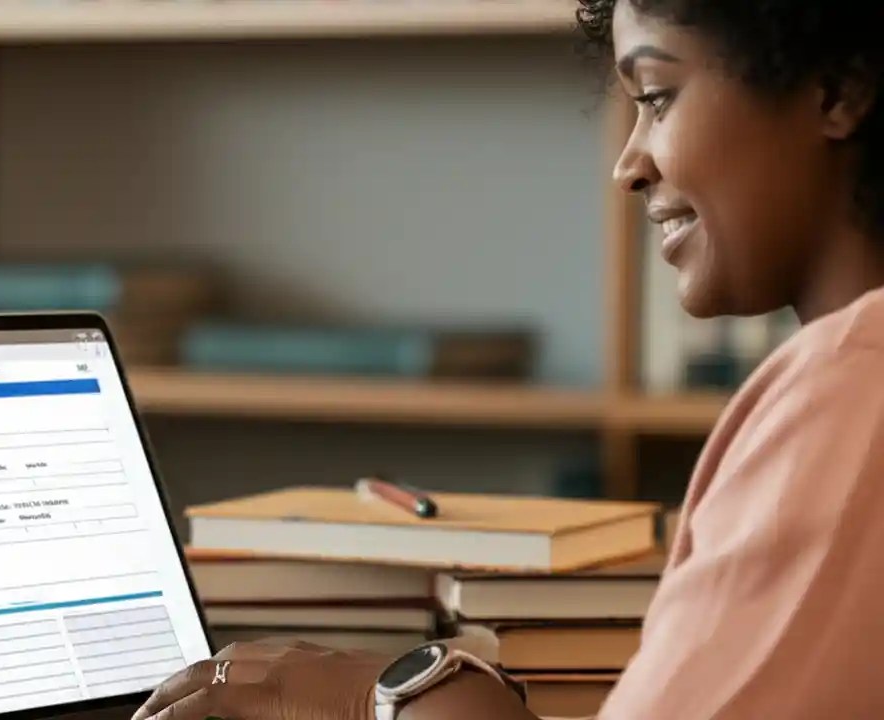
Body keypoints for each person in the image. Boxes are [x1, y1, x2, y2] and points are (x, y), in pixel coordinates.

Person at [134, 1, 884, 718]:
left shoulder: (845, 392)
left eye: (656, 97)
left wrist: (384, 696)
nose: (628, 165)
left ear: (836, 89)